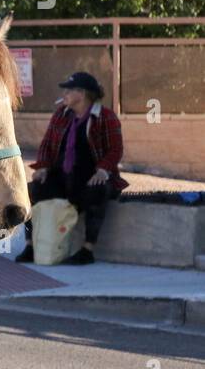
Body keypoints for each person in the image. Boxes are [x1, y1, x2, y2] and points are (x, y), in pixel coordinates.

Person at [15, 71, 128, 265]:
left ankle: (87, 250)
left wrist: (103, 170)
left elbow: (115, 149)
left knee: (98, 191)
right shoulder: (61, 114)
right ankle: (30, 246)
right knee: (31, 192)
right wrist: (42, 167)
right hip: (61, 177)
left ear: (82, 94)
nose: (65, 94)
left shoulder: (105, 117)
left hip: (88, 178)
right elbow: (47, 144)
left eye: (69, 90)